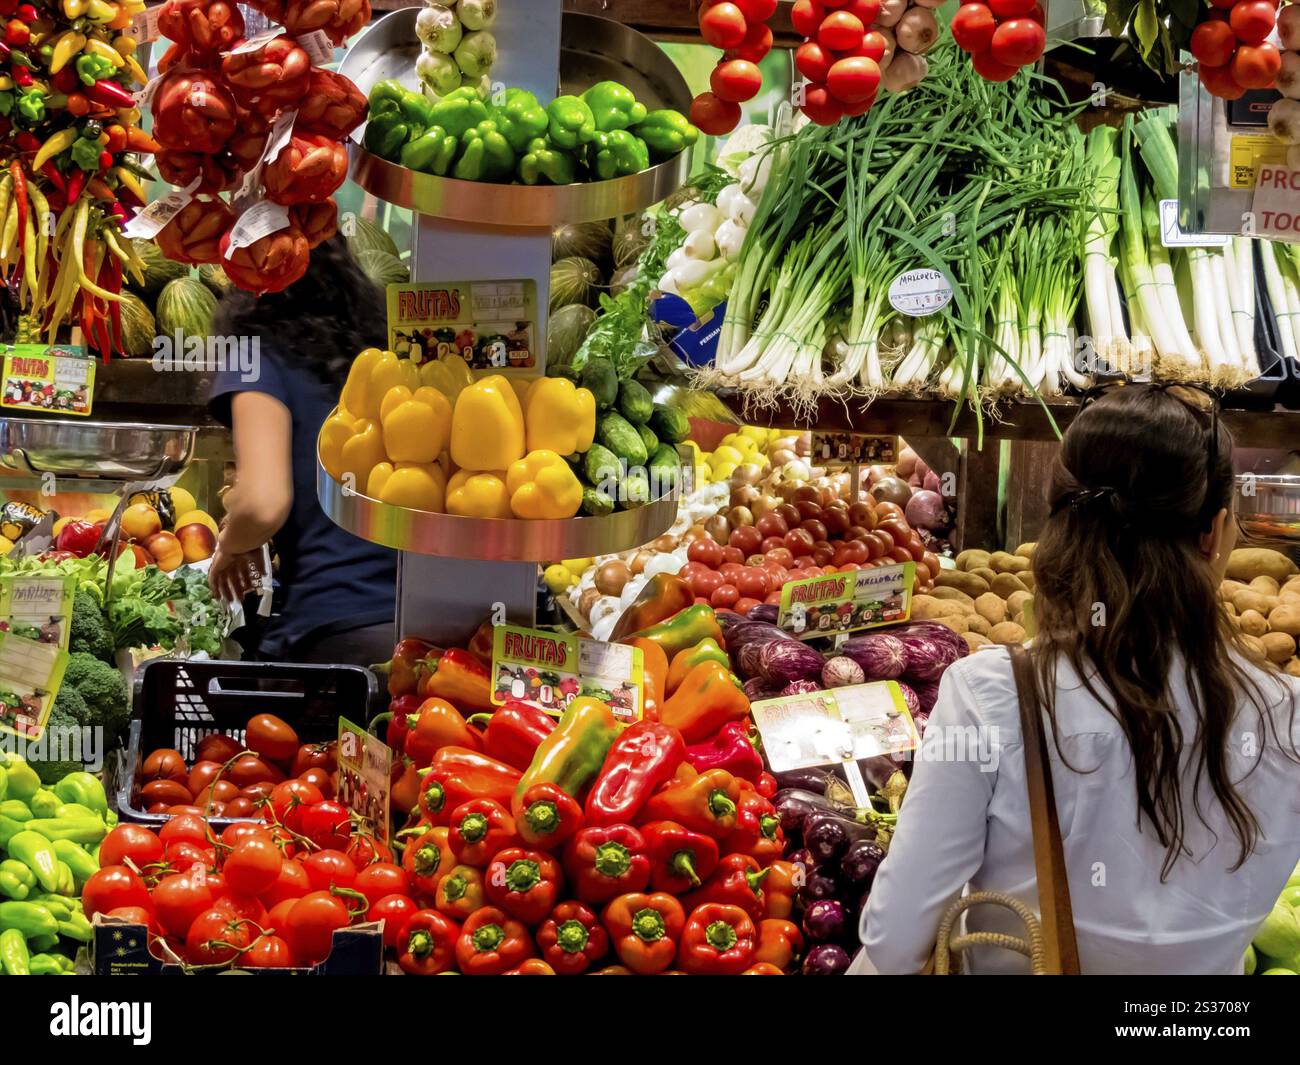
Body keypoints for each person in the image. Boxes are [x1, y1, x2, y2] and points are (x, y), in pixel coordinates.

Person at [861, 384, 1300, 975]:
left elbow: (894, 945)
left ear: (1060, 522)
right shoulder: (1289, 715)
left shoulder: (992, 693)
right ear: (1217, 531)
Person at [206, 235, 398, 665]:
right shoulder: (376, 346)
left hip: (335, 630)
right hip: (421, 625)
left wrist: (232, 545)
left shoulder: (256, 348)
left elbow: (261, 503)